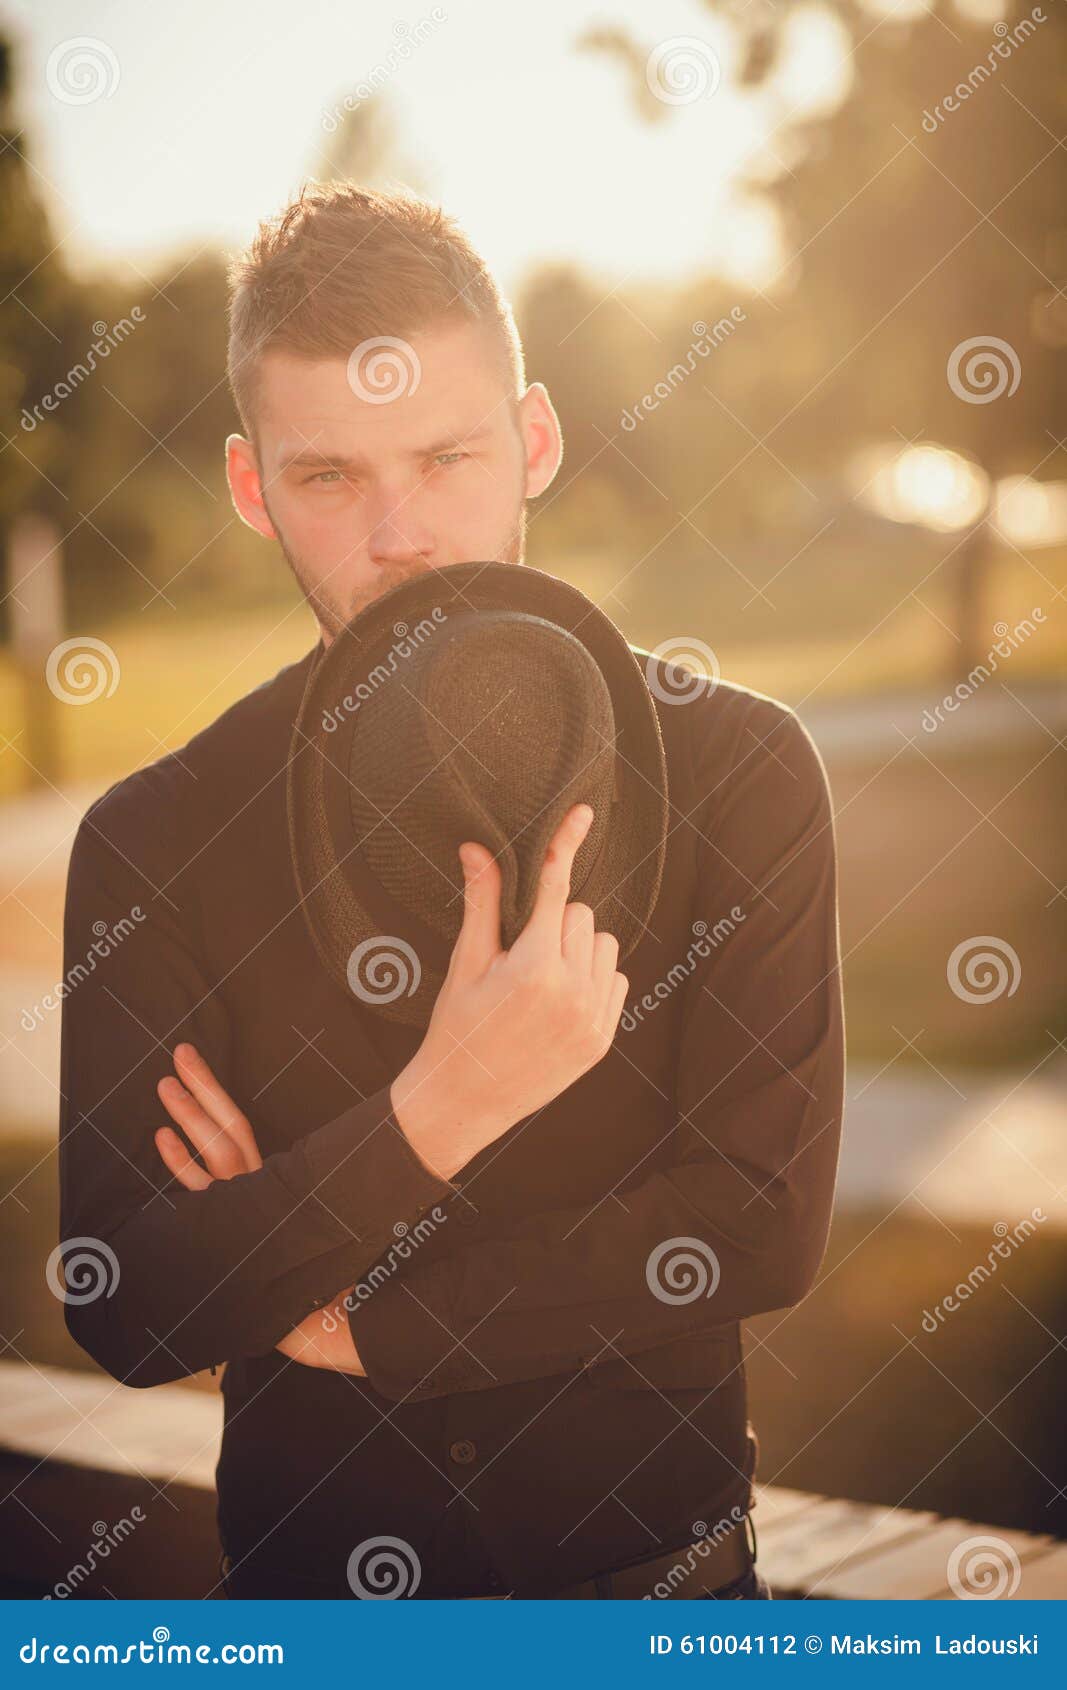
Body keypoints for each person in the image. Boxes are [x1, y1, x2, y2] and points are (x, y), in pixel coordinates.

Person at [58, 184, 844, 1600]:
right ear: (251, 487)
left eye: (445, 457)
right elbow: (129, 1296)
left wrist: (359, 1319)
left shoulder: (741, 772)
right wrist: (440, 1110)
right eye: (328, 477)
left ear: (533, 441)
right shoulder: (156, 837)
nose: (400, 535)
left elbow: (757, 1222)